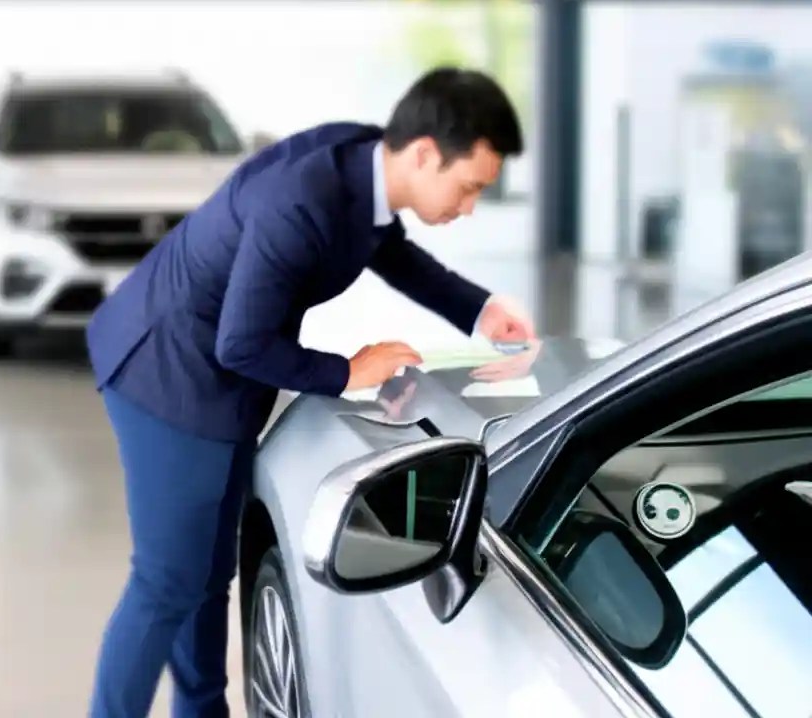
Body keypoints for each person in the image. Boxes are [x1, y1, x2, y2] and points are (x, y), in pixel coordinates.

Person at [84, 67, 535, 717]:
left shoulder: (363, 167)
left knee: (209, 578)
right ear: (425, 153)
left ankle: (203, 709)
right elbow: (240, 343)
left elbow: (391, 253)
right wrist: (350, 371)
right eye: (468, 189)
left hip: (224, 383)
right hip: (165, 372)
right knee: (167, 582)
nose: (468, 208)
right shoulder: (302, 200)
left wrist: (481, 310)